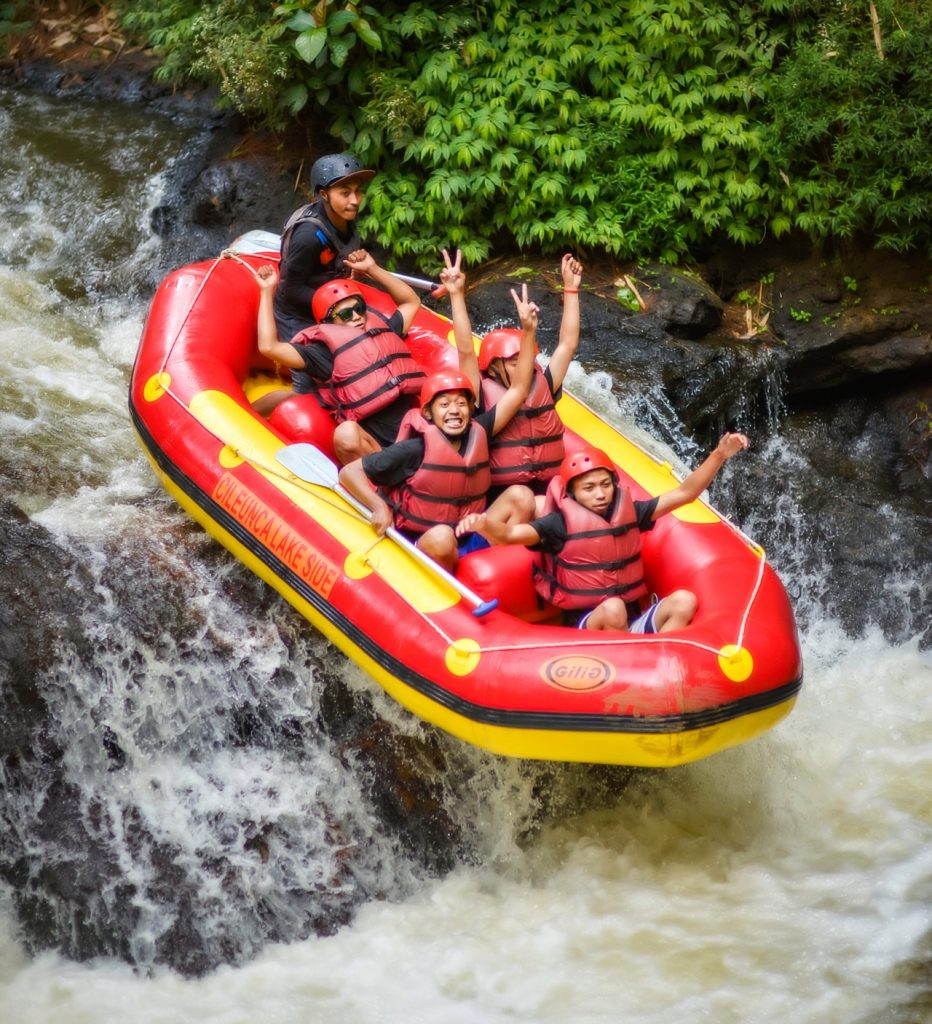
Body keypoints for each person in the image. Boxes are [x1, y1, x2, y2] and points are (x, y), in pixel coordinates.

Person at [338, 286, 543, 572]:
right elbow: (350, 472)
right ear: (428, 413)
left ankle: (487, 570)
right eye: (444, 404)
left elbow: (519, 388)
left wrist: (528, 330)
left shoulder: (479, 430)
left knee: (521, 495)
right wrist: (378, 506)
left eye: (461, 403)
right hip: (427, 540)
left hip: (469, 535)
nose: (454, 410)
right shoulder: (415, 448)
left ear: (471, 409)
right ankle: (460, 578)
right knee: (443, 536)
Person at [475, 434, 749, 632]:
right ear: (572, 493)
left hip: (630, 624)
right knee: (613, 607)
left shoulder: (632, 512)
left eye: (605, 485)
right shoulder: (557, 525)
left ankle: (660, 665)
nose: (599, 494)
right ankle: (638, 672)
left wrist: (719, 455)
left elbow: (685, 494)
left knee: (684, 601)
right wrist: (485, 525)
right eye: (589, 488)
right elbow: (510, 535)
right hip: (588, 626)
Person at [442, 249, 582, 509]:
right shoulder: (482, 396)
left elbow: (568, 344)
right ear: (493, 368)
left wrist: (571, 290)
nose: (524, 368)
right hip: (504, 499)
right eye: (515, 362)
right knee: (535, 504)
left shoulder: (544, 385)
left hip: (548, 490)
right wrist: (456, 294)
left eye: (526, 360)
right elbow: (465, 350)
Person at [253, 255, 424, 463]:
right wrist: (266, 291)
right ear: (328, 323)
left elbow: (411, 301)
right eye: (344, 314)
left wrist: (372, 267)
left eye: (359, 309)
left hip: (421, 432)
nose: (355, 317)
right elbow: (269, 347)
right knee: (343, 430)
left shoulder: (385, 330)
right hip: (382, 449)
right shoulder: (323, 353)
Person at [274, 152, 375, 340]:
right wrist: (336, 306)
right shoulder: (308, 237)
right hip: (298, 315)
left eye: (358, 191)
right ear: (324, 194)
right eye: (345, 193)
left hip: (335, 301)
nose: (355, 200)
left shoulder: (344, 214)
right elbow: (291, 290)